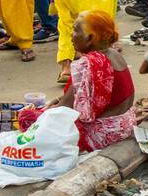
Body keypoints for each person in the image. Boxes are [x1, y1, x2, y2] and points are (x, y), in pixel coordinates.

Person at [48, 10, 136, 152]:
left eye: (75, 30)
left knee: (28, 118)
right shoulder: (114, 54)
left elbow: (65, 108)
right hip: (124, 125)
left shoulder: (88, 64)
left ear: (90, 38)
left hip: (103, 134)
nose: (71, 35)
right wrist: (59, 99)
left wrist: (40, 115)